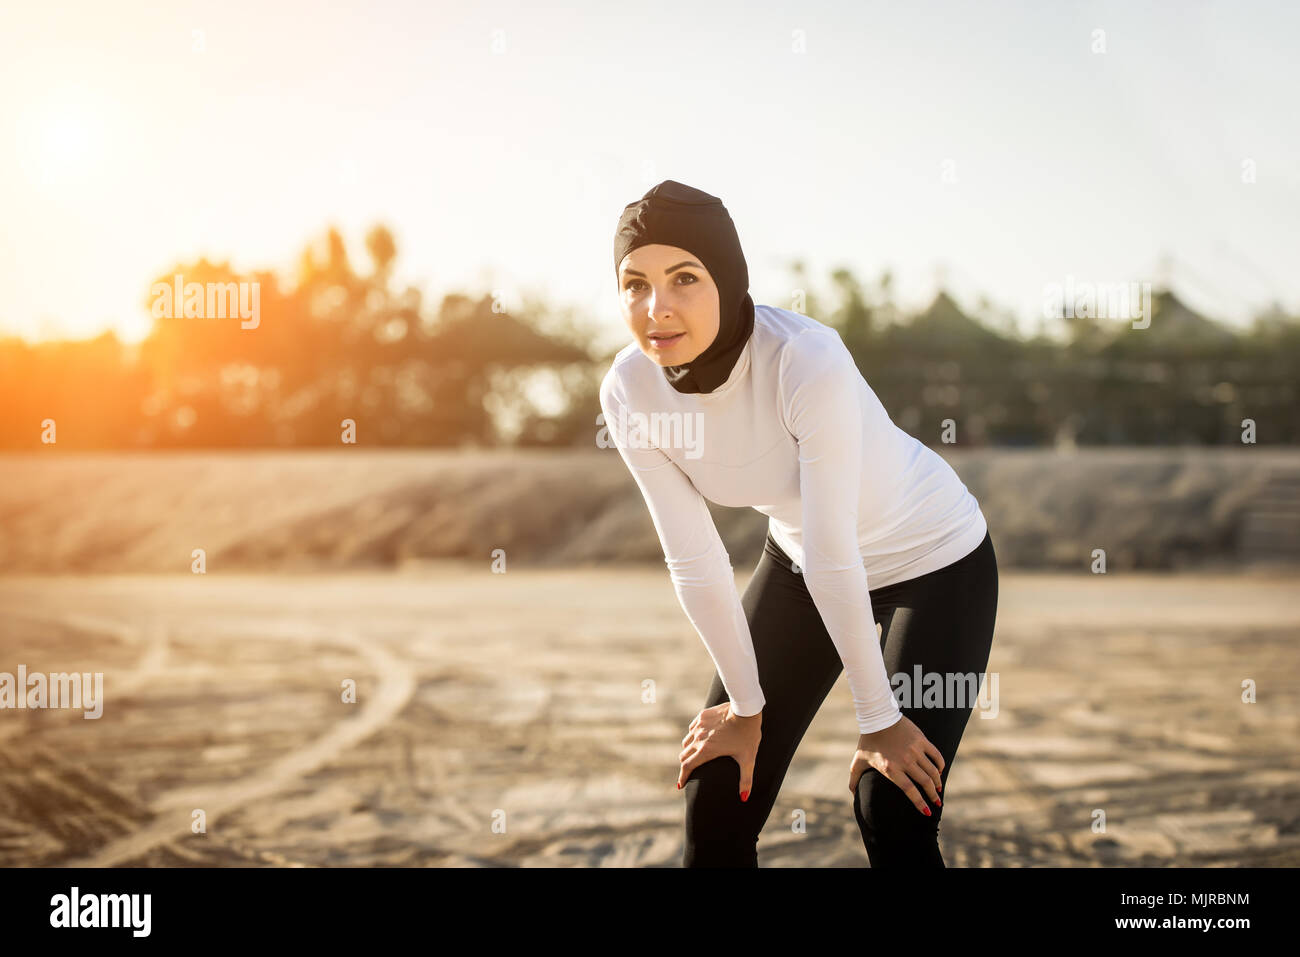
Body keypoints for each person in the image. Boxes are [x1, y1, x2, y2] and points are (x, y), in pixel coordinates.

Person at [599, 180, 999, 868]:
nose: (656, 308)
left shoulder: (803, 360)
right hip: (799, 565)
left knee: (891, 802)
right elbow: (695, 559)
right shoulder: (630, 390)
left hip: (934, 559)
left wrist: (878, 720)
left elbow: (834, 545)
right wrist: (744, 706)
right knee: (718, 789)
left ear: (727, 278)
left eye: (685, 278)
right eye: (634, 283)